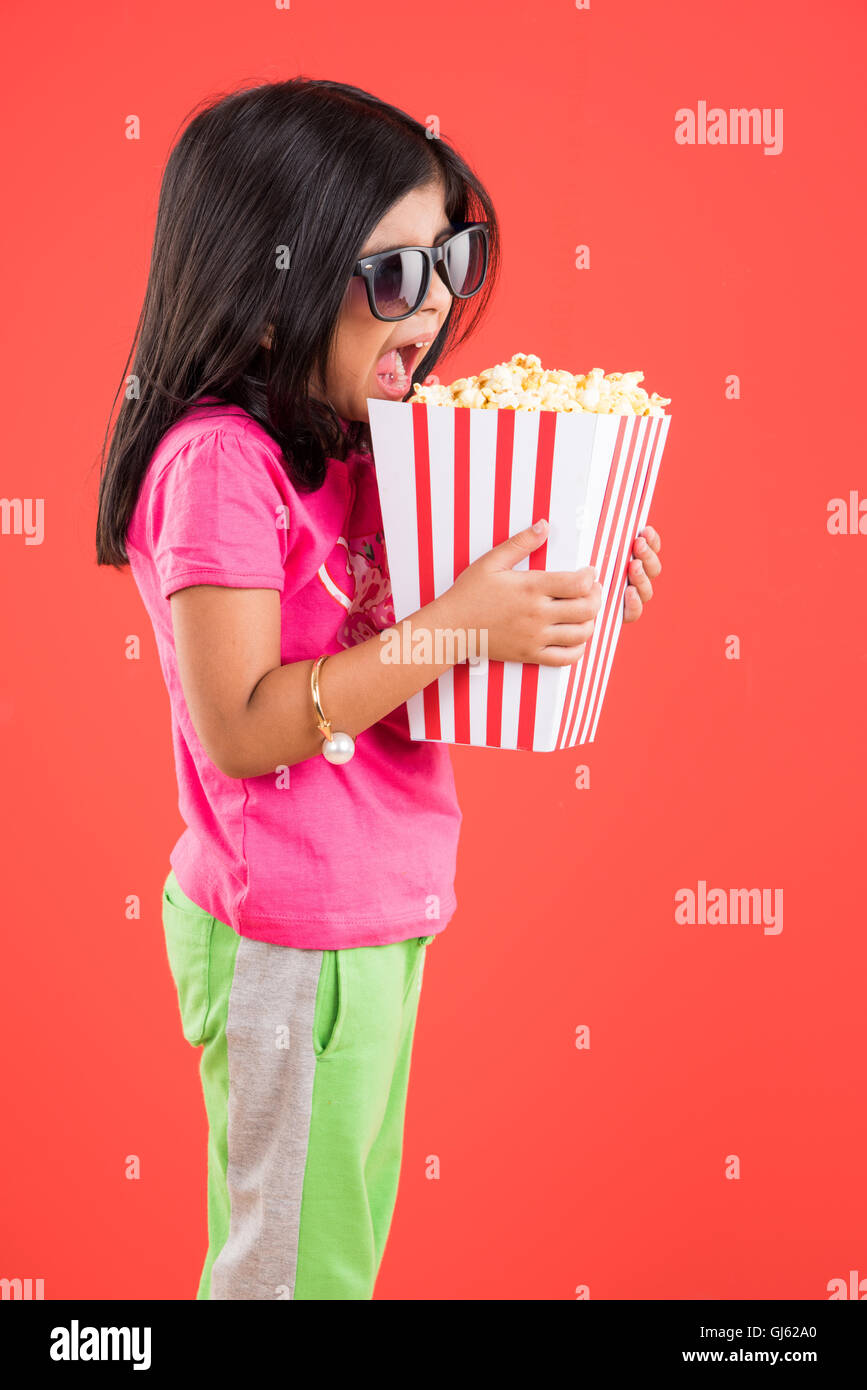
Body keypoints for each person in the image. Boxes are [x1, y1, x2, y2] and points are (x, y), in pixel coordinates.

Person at [95, 76, 661, 1301]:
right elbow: (243, 727)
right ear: (267, 292)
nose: (441, 305)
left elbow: (416, 651)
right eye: (394, 277)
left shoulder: (367, 447)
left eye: (448, 261)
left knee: (335, 1251)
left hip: (382, 908)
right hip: (287, 928)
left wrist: (567, 571)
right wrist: (457, 624)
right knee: (285, 1273)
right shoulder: (215, 469)